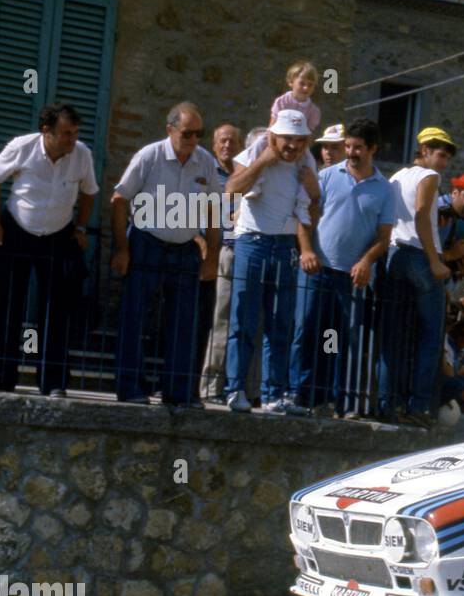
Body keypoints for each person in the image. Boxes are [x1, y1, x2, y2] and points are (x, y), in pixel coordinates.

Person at [111, 101, 222, 409]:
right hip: (146, 241)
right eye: (188, 133)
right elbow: (120, 199)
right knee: (135, 318)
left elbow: (214, 212)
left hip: (185, 249)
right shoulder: (150, 156)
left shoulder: (205, 162)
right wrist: (122, 248)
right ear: (169, 129)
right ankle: (131, 386)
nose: (193, 140)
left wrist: (212, 257)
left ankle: (177, 390)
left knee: (184, 322)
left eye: (199, 133)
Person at [0, 103, 96, 397]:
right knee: (8, 304)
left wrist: (81, 227)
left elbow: (89, 193)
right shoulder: (22, 147)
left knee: (56, 309)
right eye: (65, 134)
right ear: (46, 131)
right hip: (17, 229)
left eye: (75, 133)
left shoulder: (82, 154)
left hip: (59, 234)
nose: (72, 139)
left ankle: (53, 381)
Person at [289, 119, 394, 419]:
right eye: (348, 146)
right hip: (316, 269)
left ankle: (333, 401)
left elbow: (384, 237)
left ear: (372, 149)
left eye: (358, 147)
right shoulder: (327, 177)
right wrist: (307, 250)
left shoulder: (384, 189)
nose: (350, 152)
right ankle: (302, 397)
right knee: (306, 331)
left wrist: (366, 261)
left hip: (350, 277)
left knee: (336, 340)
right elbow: (304, 215)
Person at [223, 108, 316, 414]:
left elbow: (310, 209)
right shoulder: (257, 152)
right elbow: (232, 189)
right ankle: (235, 389)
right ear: (274, 136)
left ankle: (274, 394)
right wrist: (263, 161)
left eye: (299, 141)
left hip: (284, 245)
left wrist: (314, 193)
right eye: (287, 140)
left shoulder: (306, 162)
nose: (293, 147)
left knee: (280, 323)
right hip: (253, 241)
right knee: (244, 319)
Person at [379, 126, 457, 427]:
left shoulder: (397, 176)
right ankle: (420, 405)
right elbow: (423, 213)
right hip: (419, 256)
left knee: (395, 336)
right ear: (424, 151)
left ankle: (388, 401)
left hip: (395, 254)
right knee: (430, 337)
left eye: (447, 156)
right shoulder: (429, 177)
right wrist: (434, 260)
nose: (444, 161)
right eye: (441, 154)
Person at [197, 122, 244, 402]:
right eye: (223, 141)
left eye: (232, 141)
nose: (227, 146)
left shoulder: (243, 175)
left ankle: (239, 387)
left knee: (242, 324)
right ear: (215, 146)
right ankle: (209, 388)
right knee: (218, 322)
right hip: (215, 252)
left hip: (242, 250)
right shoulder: (204, 173)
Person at [269, 61, 323, 134]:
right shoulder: (282, 102)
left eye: (310, 85)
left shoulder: (313, 111)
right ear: (291, 82)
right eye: (302, 83)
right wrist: (272, 145)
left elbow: (308, 134)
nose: (306, 88)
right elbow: (272, 127)